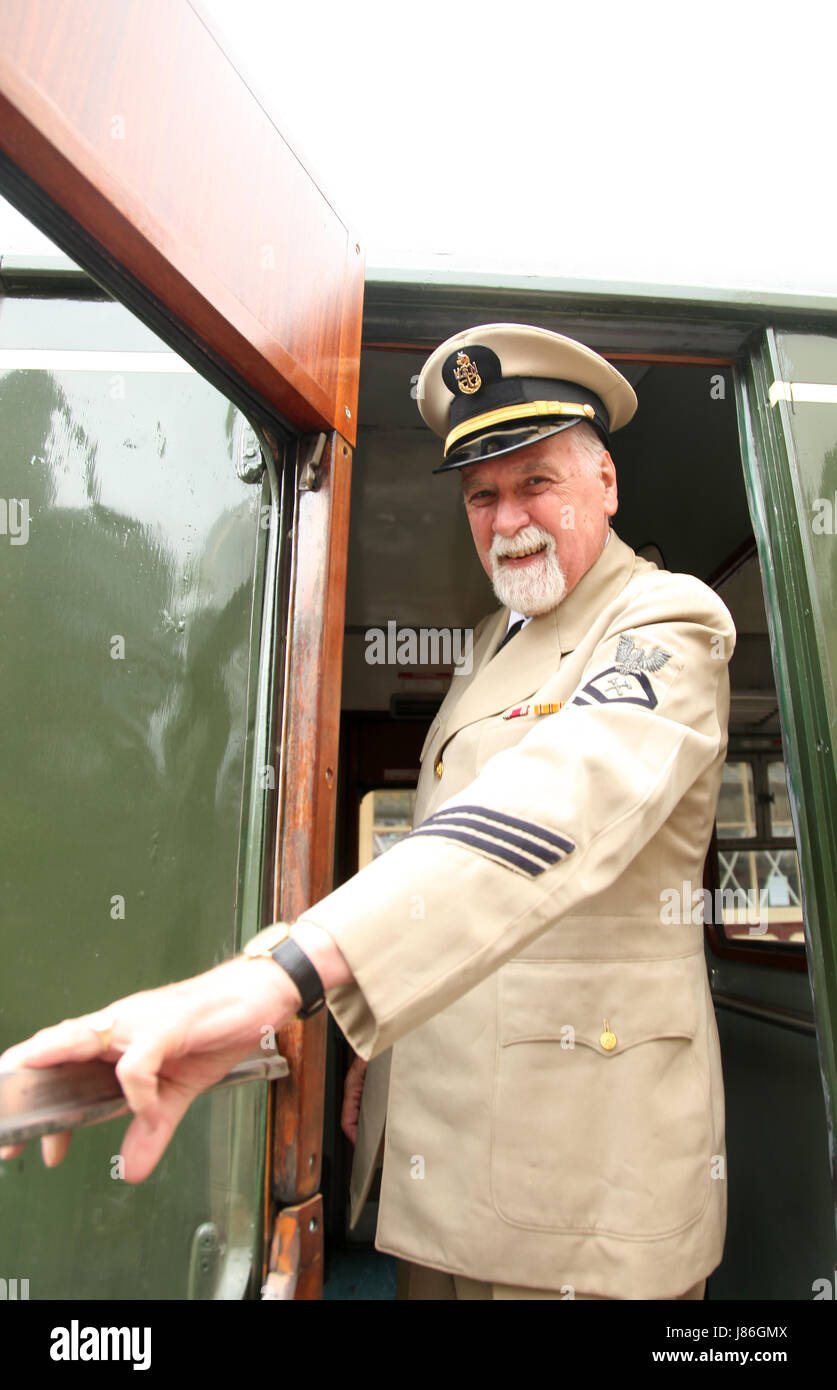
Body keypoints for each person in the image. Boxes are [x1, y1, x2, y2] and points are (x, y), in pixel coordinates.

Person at [0, 324, 735, 1301]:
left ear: (606, 482)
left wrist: (279, 976)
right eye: (482, 494)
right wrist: (381, 1065)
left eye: (537, 483)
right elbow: (439, 861)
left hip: (579, 1178)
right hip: (441, 1151)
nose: (508, 517)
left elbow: (556, 799)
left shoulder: (666, 617)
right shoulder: (489, 642)